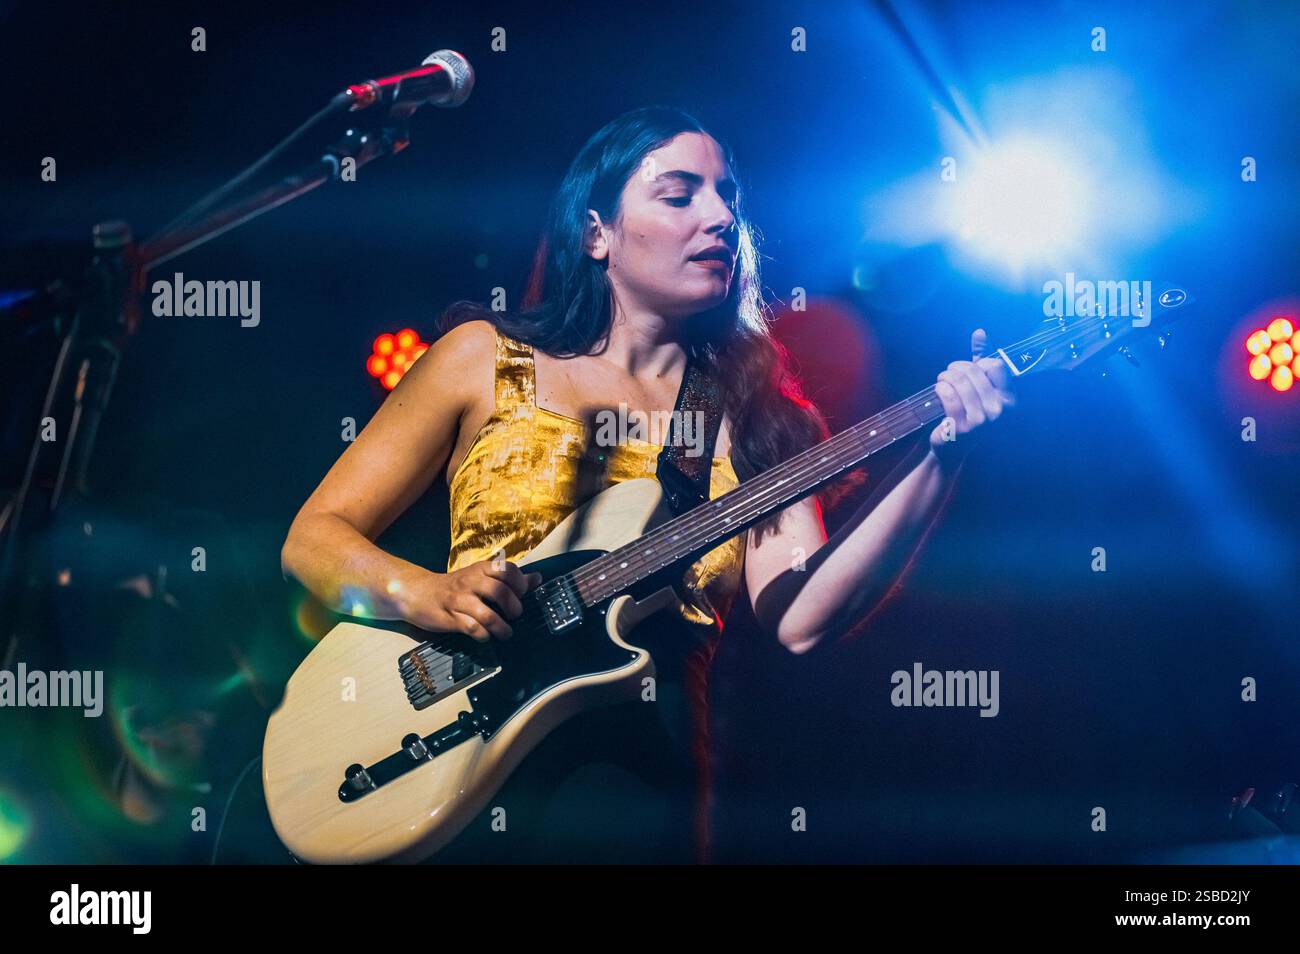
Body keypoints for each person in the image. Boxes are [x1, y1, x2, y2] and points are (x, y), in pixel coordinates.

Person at [279, 105, 1014, 863]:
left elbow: (801, 617)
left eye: (728, 196)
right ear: (597, 234)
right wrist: (421, 592)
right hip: (452, 728)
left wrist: (939, 460)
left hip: (634, 766)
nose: (721, 217)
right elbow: (316, 535)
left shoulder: (755, 414)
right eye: (680, 193)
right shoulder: (482, 358)